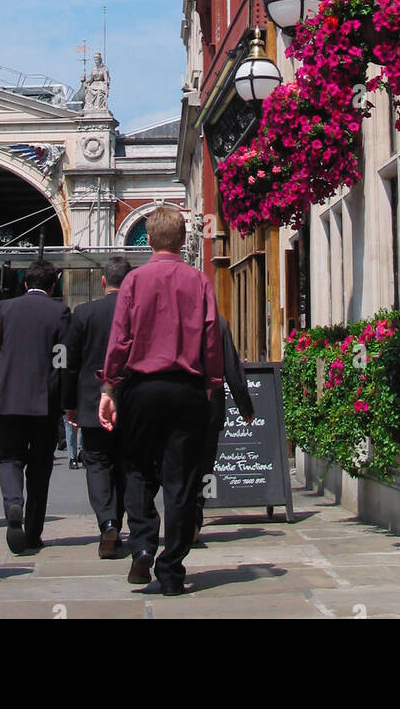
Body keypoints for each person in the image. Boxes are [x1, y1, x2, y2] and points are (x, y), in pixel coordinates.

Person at [99, 206, 222, 596]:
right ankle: (172, 567)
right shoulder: (199, 281)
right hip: (186, 388)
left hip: (142, 388)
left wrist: (109, 387)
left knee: (135, 468)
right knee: (181, 480)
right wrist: (211, 382)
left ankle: (142, 543)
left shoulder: (134, 282)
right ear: (184, 239)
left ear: (148, 240)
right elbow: (211, 336)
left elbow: (120, 338)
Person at [0, 262, 70, 555]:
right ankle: (33, 532)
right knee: (40, 467)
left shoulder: (4, 309)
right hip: (44, 403)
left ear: (24, 283)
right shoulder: (59, 312)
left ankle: (12, 502)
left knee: (8, 458)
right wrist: (62, 397)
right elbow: (63, 359)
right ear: (53, 285)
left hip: (8, 399)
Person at [63, 255, 133, 557]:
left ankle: (107, 522)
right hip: (129, 403)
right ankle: (117, 522)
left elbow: (69, 363)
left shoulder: (83, 313)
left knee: (98, 464)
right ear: (128, 281)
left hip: (92, 402)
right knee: (125, 465)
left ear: (103, 281)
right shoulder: (136, 312)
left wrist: (69, 404)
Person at [195, 315, 255, 544]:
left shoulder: (171, 318)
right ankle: (194, 513)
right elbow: (231, 367)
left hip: (178, 406)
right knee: (205, 466)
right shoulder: (217, 323)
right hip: (210, 408)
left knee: (180, 465)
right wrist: (245, 406)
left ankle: (184, 515)